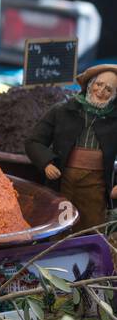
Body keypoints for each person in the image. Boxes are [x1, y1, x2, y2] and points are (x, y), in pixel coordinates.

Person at [26, 64, 117, 232]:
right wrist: (47, 163)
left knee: (92, 227)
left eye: (108, 89)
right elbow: (34, 141)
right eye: (98, 84)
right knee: (58, 224)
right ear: (90, 84)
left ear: (114, 96)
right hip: (63, 180)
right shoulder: (62, 111)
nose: (101, 91)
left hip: (96, 186)